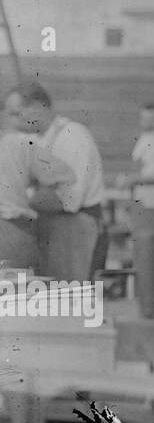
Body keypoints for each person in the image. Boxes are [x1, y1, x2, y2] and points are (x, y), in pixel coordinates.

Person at [4, 82, 106, 280]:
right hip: (52, 229)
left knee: (74, 300)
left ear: (38, 106)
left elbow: (71, 198)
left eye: (17, 113)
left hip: (78, 228)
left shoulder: (72, 134)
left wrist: (26, 201)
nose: (13, 121)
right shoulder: (37, 140)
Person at [0, 130, 76, 270]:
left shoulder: (15, 144)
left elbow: (66, 174)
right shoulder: (15, 143)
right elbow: (67, 174)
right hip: (13, 231)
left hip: (11, 229)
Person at [120, 103, 154, 269]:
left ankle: (150, 285)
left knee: (150, 247)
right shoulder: (145, 138)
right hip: (141, 199)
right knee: (139, 246)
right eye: (143, 118)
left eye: (149, 119)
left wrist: (135, 179)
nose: (145, 122)